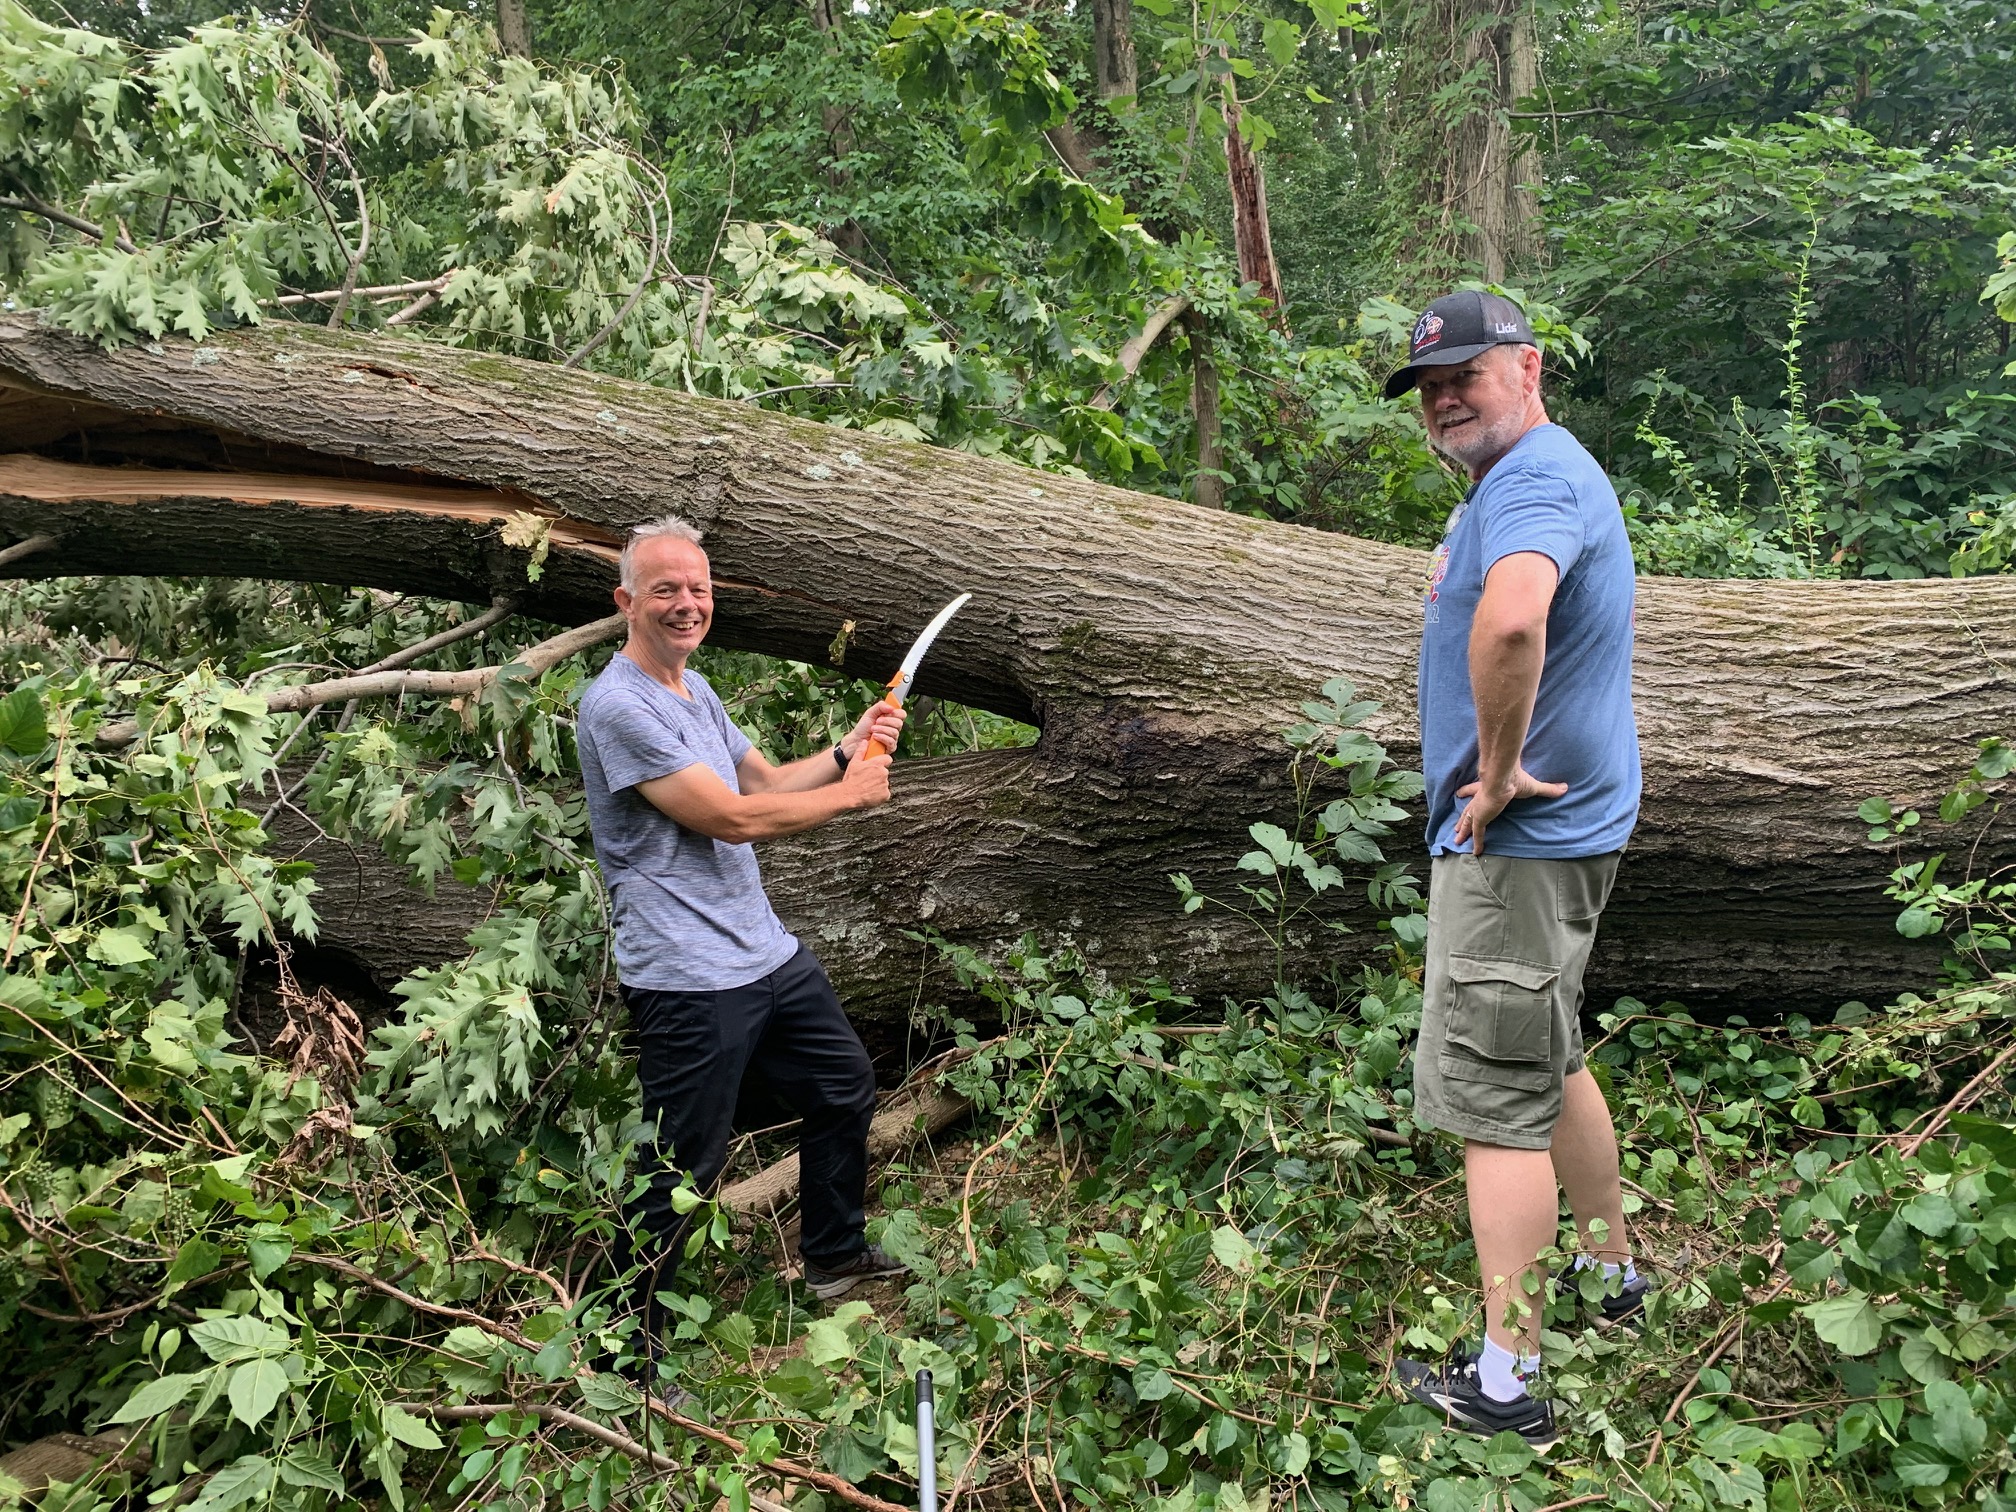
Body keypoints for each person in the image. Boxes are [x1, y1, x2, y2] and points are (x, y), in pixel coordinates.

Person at [1384, 291, 1646, 1450]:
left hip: (1519, 847)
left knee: (1496, 1106)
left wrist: (1492, 776)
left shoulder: (1535, 479)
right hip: (1565, 838)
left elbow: (1511, 623)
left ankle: (1508, 1385)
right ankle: (1610, 1271)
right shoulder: (1524, 477)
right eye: (1429, 386)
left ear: (1528, 368)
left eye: (1466, 375)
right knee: (1550, 1048)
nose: (1445, 398)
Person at [576, 515, 912, 1388]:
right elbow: (729, 818)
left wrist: (846, 750)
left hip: (763, 951)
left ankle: (832, 1255)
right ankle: (623, 1357)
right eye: (665, 589)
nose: (687, 603)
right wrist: (852, 796)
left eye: (698, 588)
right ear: (626, 602)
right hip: (686, 974)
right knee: (680, 1164)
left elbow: (761, 782)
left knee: (843, 1084)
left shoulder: (696, 689)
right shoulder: (618, 706)